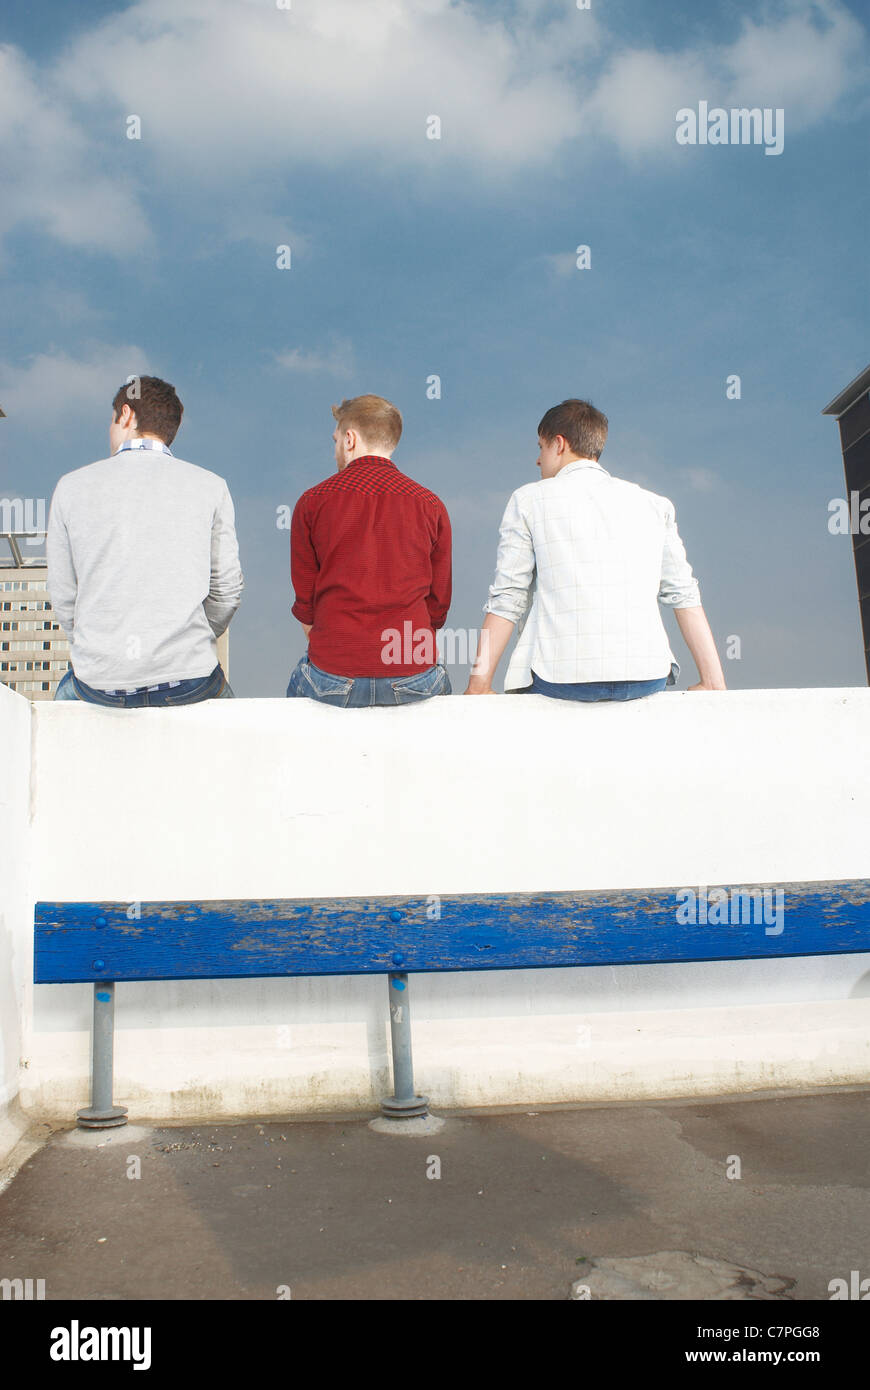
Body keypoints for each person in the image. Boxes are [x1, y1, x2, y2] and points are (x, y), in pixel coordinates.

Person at [466, 398, 725, 699]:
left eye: (540, 447)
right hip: (646, 676)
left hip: (560, 680)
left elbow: (507, 597)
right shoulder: (656, 505)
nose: (538, 459)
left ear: (559, 444)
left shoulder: (527, 500)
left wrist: (478, 685)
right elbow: (684, 594)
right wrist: (712, 681)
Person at [47, 375, 243, 707]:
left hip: (99, 683)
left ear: (125, 415)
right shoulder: (211, 486)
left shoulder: (70, 487)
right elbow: (227, 590)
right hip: (188, 680)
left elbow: (64, 595)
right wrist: (186, 636)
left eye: (112, 420)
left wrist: (99, 650)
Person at [287, 394, 452, 707]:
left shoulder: (312, 502)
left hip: (332, 673)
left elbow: (306, 605)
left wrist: (346, 653)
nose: (335, 448)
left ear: (350, 439)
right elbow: (438, 606)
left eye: (336, 440)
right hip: (413, 672)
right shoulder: (432, 505)